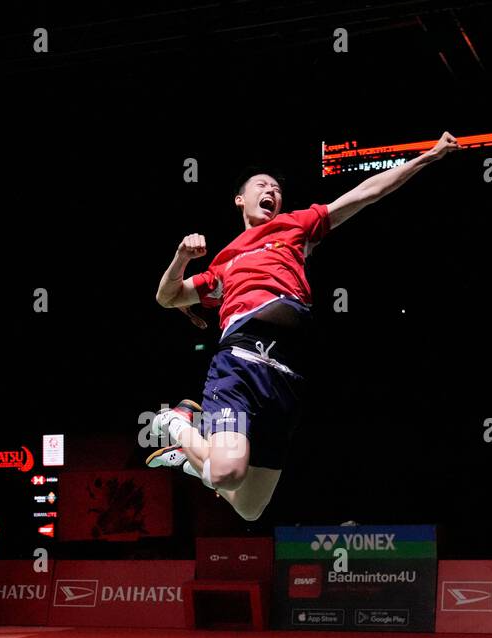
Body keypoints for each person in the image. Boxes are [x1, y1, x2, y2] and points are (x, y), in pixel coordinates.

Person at [147, 133, 460, 520]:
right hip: (241, 363)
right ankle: (177, 422)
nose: (271, 191)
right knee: (228, 473)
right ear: (239, 199)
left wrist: (426, 158)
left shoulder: (296, 227)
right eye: (261, 185)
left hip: (286, 380)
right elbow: (168, 296)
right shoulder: (222, 265)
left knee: (249, 508)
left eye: (276, 189)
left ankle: (191, 461)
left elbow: (364, 194)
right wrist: (180, 257)